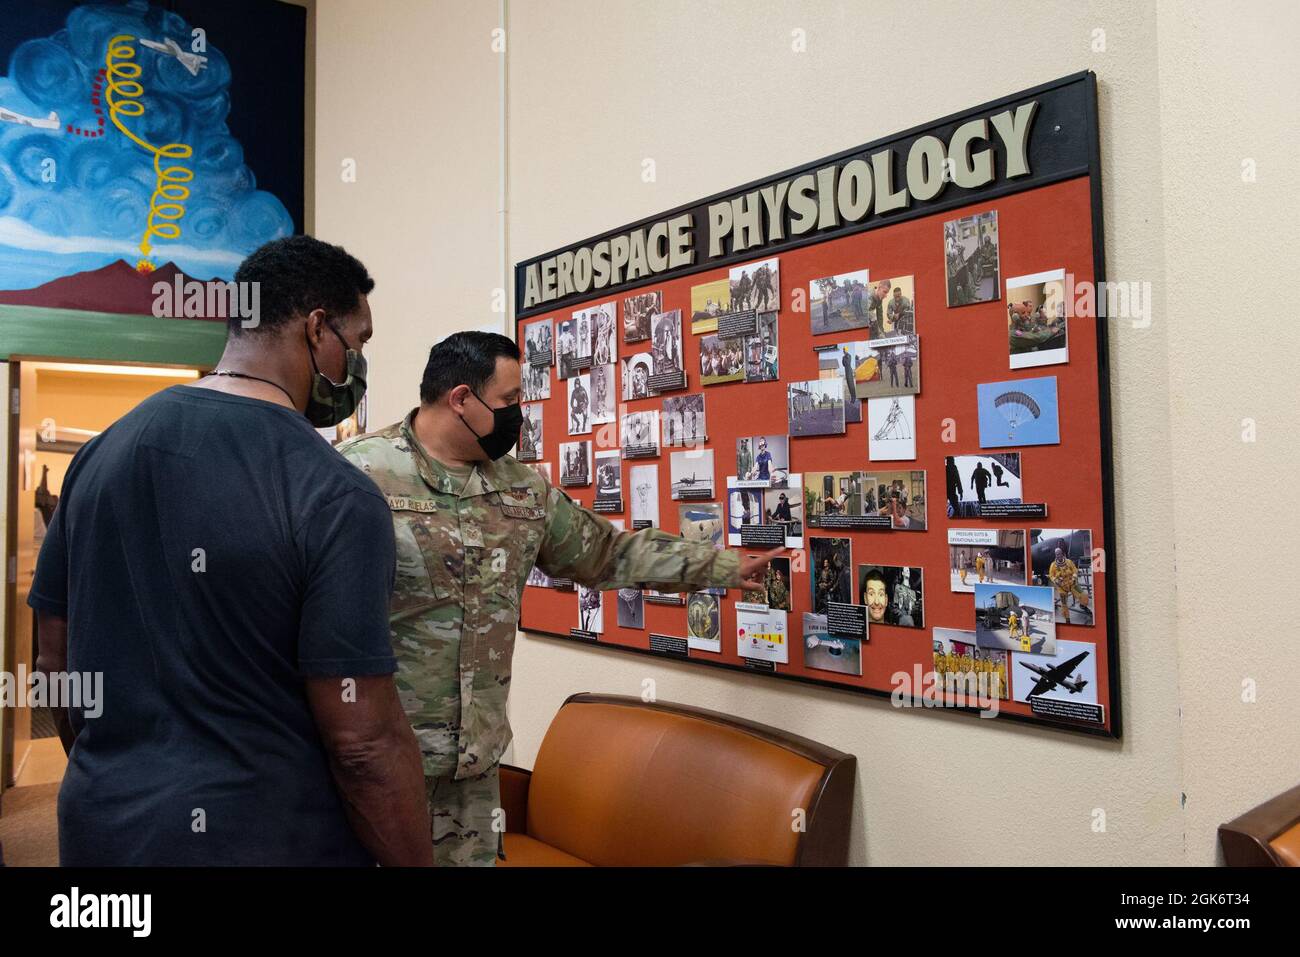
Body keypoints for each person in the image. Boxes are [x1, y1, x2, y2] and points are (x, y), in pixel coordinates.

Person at [29, 236, 432, 866]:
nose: (356, 362)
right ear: (317, 327)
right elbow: (362, 742)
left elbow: (53, 663)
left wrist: (118, 771)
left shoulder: (98, 456)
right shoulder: (335, 493)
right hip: (267, 840)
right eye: (358, 343)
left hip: (101, 832)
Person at [337, 332, 778, 865]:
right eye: (509, 400)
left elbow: (607, 555)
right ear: (460, 399)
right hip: (377, 768)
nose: (519, 414)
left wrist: (719, 565)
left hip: (472, 773)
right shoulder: (356, 474)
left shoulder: (524, 491)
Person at [1048, 546, 1091, 622]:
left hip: (1072, 584)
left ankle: (1082, 605)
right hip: (1062, 587)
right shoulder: (1053, 565)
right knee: (1064, 604)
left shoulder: (1069, 562)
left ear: (1062, 554)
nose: (1059, 555)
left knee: (1084, 596)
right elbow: (1051, 575)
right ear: (1055, 555)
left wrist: (1074, 577)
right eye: (1057, 554)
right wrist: (1056, 580)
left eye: (1060, 553)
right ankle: (1067, 618)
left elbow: (1075, 569)